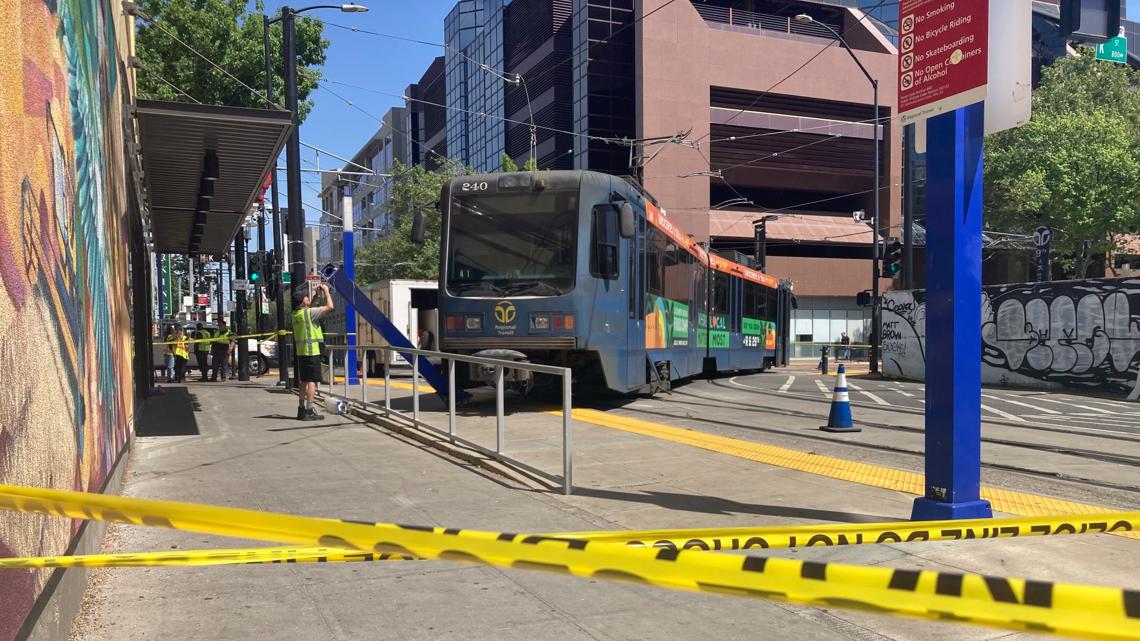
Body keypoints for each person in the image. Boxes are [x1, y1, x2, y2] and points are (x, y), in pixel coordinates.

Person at [292, 283, 333, 420]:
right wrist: (326, 293)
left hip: (302, 353)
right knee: (311, 382)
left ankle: (301, 409)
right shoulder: (309, 314)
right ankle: (310, 410)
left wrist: (316, 297)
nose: (308, 298)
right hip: (312, 352)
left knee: (303, 381)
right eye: (306, 297)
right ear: (303, 301)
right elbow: (330, 307)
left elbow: (308, 310)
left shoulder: (296, 314)